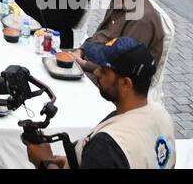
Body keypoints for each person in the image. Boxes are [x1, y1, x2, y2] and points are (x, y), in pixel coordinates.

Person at [25, 38, 175, 170]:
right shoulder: (160, 114)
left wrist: (45, 162)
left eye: (104, 70)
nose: (96, 72)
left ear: (125, 84)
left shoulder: (107, 146)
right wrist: (75, 162)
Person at [72, 0, 166, 77]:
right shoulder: (117, 0)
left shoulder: (140, 19)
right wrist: (82, 50)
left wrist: (85, 64)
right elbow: (103, 34)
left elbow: (124, 65)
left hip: (115, 80)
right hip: (97, 63)